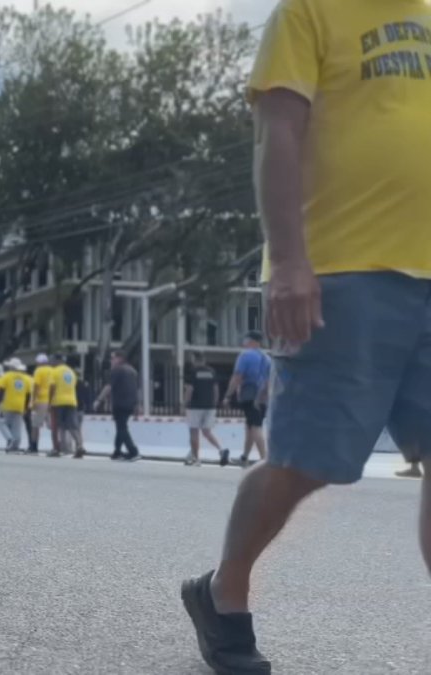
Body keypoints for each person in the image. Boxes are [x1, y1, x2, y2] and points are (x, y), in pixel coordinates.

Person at [181, 3, 431, 671]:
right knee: (304, 463)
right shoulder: (310, 10)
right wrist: (290, 261)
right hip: (343, 273)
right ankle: (223, 590)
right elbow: (278, 133)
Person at [223, 331, 271, 467]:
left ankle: (264, 459)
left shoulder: (245, 355)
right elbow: (270, 380)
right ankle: (245, 457)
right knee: (250, 425)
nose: (244, 342)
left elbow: (237, 376)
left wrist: (228, 395)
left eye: (246, 339)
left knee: (255, 426)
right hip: (264, 396)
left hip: (249, 393)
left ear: (251, 341)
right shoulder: (267, 358)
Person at [184, 353, 228, 467]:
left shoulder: (193, 372)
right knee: (207, 432)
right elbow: (215, 388)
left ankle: (196, 459)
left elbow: (189, 389)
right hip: (210, 406)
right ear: (204, 360)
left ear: (194, 360)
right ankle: (221, 450)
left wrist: (185, 403)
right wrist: (215, 402)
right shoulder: (211, 372)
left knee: (194, 432)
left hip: (195, 406)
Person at [95, 350, 140, 461]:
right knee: (120, 427)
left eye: (113, 358)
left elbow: (109, 387)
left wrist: (99, 400)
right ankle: (117, 451)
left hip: (120, 403)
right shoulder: (133, 371)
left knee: (122, 428)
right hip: (130, 403)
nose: (111, 360)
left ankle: (133, 451)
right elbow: (136, 389)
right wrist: (137, 405)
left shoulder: (117, 370)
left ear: (120, 358)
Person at [0, 359, 32, 453]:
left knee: (1, 423)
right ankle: (15, 446)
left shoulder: (7, 376)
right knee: (16, 427)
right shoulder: (26, 378)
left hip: (8, 405)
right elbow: (28, 395)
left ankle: (9, 439)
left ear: (11, 367)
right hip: (20, 406)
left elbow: (1, 390)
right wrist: (25, 407)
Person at [49, 355, 84, 458]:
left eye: (52, 360)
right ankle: (79, 446)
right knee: (72, 426)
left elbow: (52, 387)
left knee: (57, 427)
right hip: (72, 401)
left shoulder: (54, 371)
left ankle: (57, 449)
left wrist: (49, 401)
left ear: (57, 361)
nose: (51, 362)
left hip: (58, 402)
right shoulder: (71, 372)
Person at [29, 354, 55, 454]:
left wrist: (33, 401)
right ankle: (56, 447)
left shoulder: (38, 371)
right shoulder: (52, 370)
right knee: (52, 426)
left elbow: (36, 386)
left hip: (40, 400)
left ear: (39, 363)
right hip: (51, 401)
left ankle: (34, 447)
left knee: (35, 425)